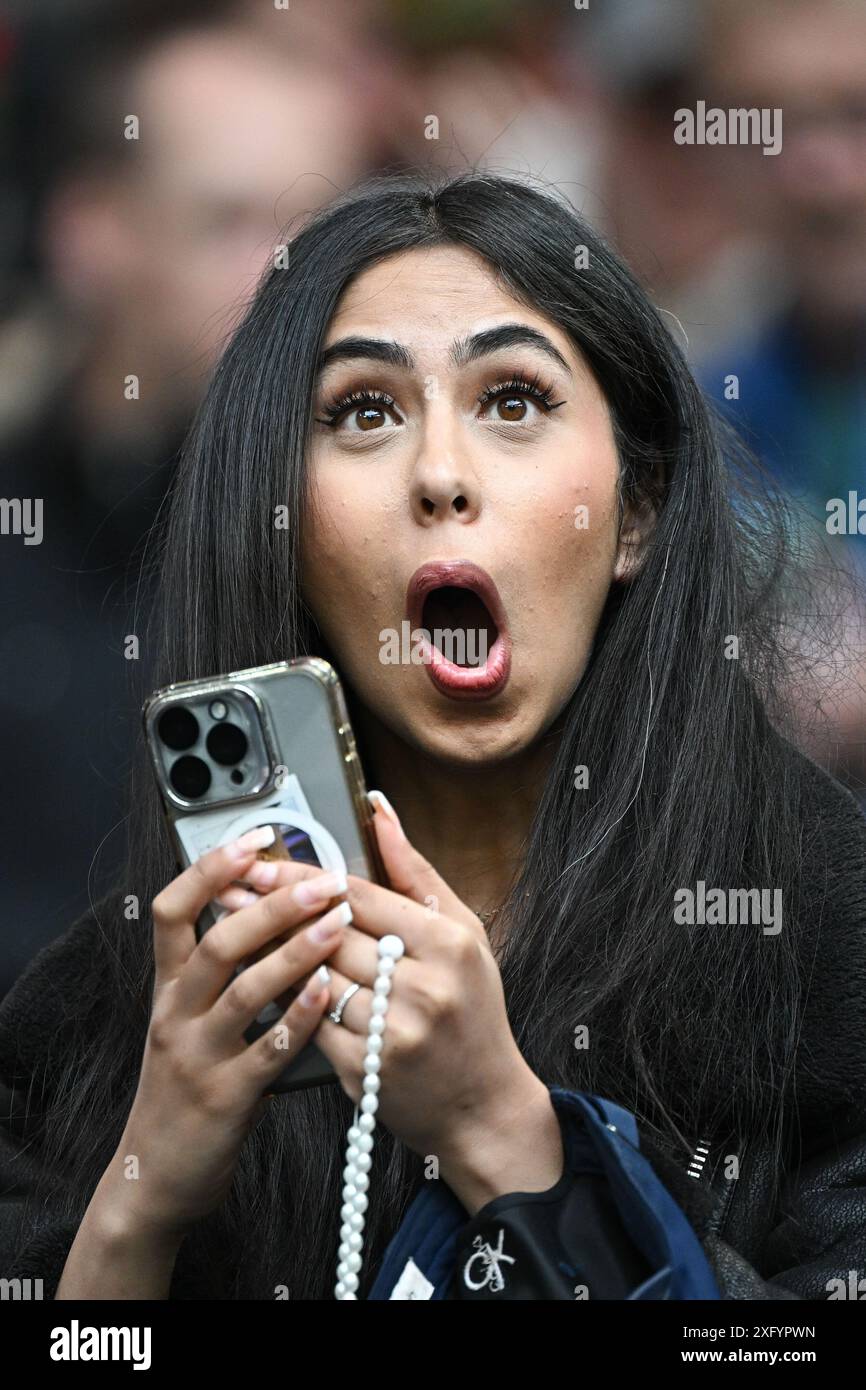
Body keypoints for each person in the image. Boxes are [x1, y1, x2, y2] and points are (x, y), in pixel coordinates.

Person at [1, 173, 865, 1301]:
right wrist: (140, 1201)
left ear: (635, 511)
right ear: (280, 524)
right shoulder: (123, 1011)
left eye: (512, 399)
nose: (441, 475)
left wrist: (507, 1140)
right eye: (362, 411)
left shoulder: (823, 932)